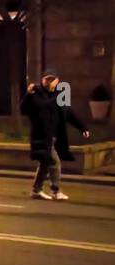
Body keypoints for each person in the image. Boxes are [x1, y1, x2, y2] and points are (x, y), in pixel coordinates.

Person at [22, 73, 89, 201]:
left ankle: (36, 190)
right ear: (42, 80)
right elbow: (34, 107)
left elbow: (68, 113)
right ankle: (56, 191)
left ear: (57, 81)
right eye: (47, 79)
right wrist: (28, 94)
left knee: (45, 163)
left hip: (52, 137)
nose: (50, 82)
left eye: (52, 79)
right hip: (41, 137)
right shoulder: (36, 94)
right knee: (54, 162)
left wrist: (83, 128)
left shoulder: (58, 97)